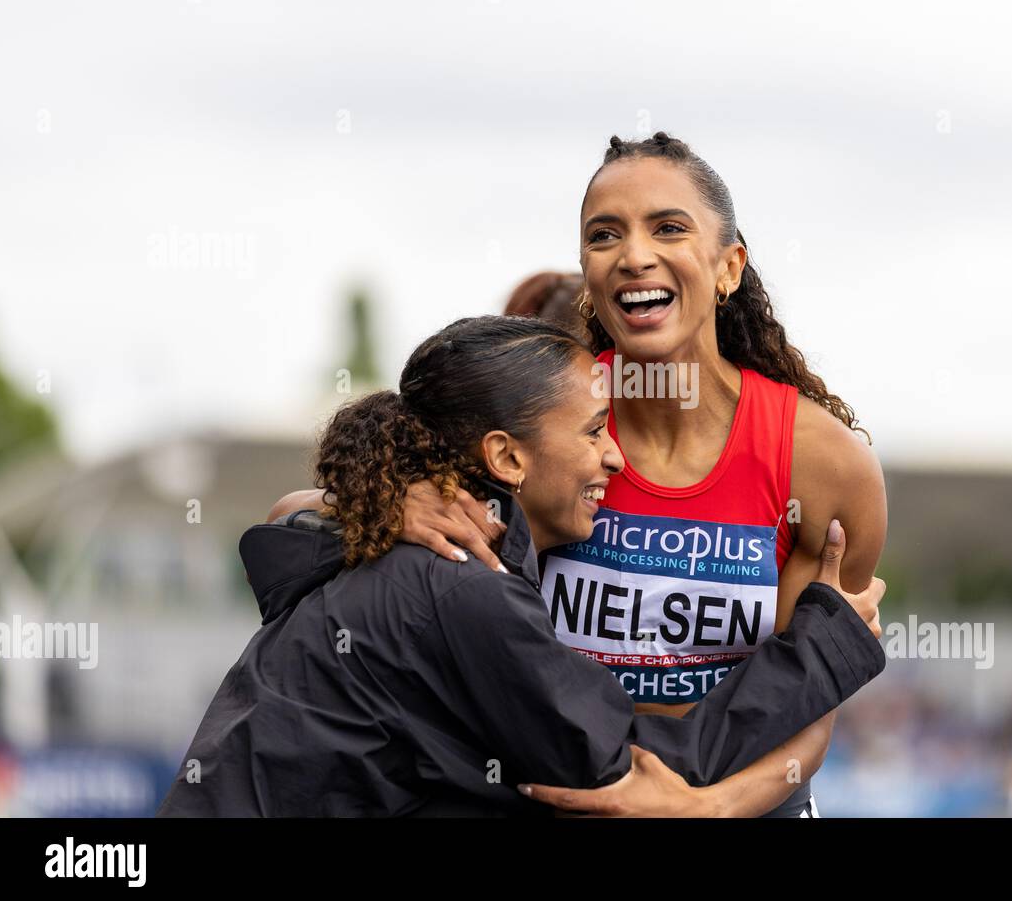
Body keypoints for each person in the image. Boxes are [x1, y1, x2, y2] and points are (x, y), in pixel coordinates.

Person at [267, 132, 887, 817]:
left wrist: (701, 811)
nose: (634, 255)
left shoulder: (823, 463)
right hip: (559, 789)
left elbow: (809, 707)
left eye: (669, 228)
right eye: (604, 235)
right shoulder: (548, 425)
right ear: (587, 270)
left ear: (728, 266)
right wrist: (396, 500)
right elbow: (296, 526)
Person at [158, 316, 886, 817]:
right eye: (597, 431)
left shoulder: (401, 544)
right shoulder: (464, 588)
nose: (615, 456)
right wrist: (827, 646)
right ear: (506, 457)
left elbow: (290, 529)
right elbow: (625, 772)